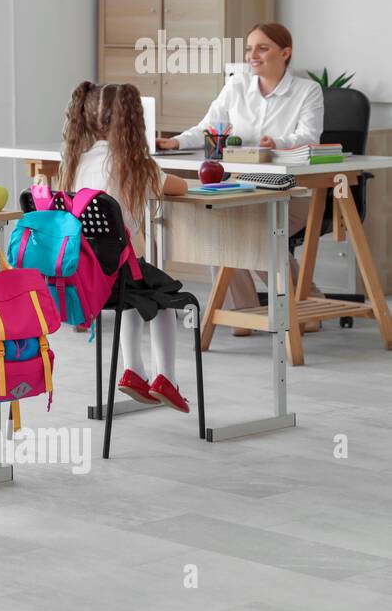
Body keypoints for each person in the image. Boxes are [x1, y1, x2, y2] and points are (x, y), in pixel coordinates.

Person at [157, 22, 325, 329]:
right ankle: (244, 312)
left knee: (256, 232)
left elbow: (309, 135)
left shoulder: (307, 91)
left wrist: (279, 143)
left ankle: (305, 303)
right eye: (249, 48)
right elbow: (209, 128)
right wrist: (176, 142)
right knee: (218, 227)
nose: (252, 55)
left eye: (262, 48)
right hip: (242, 184)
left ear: (285, 53)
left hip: (292, 189)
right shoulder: (236, 86)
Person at [61, 82, 191, 410]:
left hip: (87, 276)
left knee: (133, 294)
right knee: (165, 297)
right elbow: (179, 186)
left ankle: (132, 369)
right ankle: (167, 378)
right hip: (119, 273)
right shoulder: (137, 165)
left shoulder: (75, 162)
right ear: (132, 120)